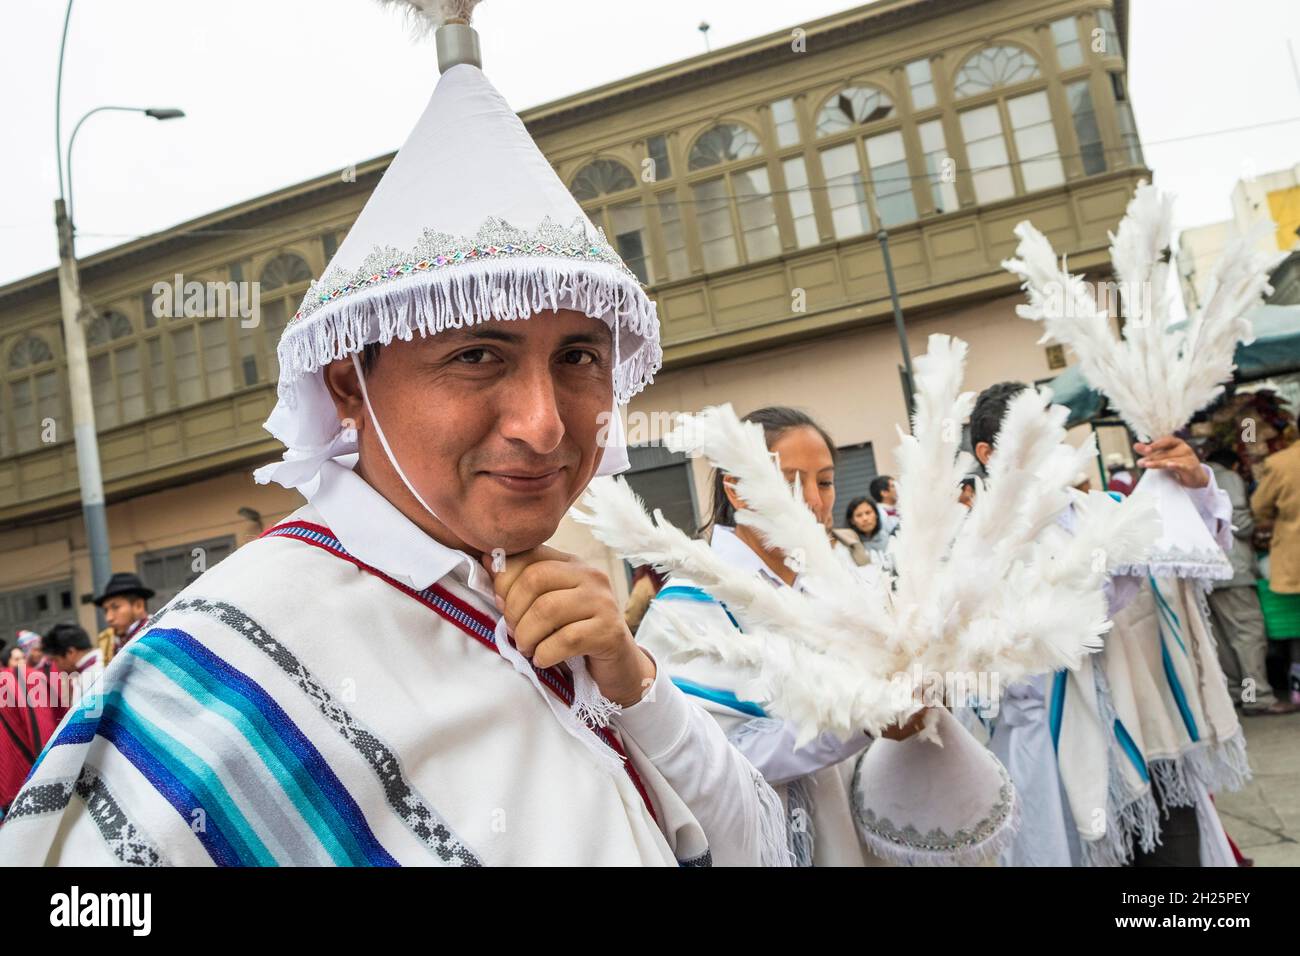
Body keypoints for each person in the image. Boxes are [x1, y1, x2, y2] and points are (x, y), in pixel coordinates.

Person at [0, 9, 782, 867]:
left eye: (579, 356)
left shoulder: (571, 620)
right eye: (477, 355)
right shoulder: (227, 670)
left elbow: (762, 849)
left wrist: (635, 684)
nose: (546, 421)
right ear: (348, 384)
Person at [636, 406, 926, 866]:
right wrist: (859, 718)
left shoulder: (838, 584)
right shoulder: (690, 604)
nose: (813, 500)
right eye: (790, 481)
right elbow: (702, 759)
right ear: (736, 487)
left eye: (826, 482)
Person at [970, 381, 1237, 867]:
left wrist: (1191, 484)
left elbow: (1197, 556)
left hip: (1156, 740)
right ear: (988, 453)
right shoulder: (975, 549)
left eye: (1053, 432)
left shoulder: (1109, 511)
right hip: (1063, 764)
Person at [1206, 450, 1293, 715]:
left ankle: (1240, 693)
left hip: (1208, 570)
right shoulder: (1227, 477)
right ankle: (1257, 697)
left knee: (1223, 636)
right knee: (1248, 634)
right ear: (1233, 463)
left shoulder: (1188, 480)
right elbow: (1239, 523)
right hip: (1233, 568)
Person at [92, 572, 155, 663]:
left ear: (138, 606)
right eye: (106, 610)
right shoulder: (110, 641)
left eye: (115, 607)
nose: (109, 618)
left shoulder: (157, 634)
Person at [39, 623, 101, 711]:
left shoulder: (91, 676)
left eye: (56, 660)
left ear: (70, 652)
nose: (57, 667)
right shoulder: (103, 660)